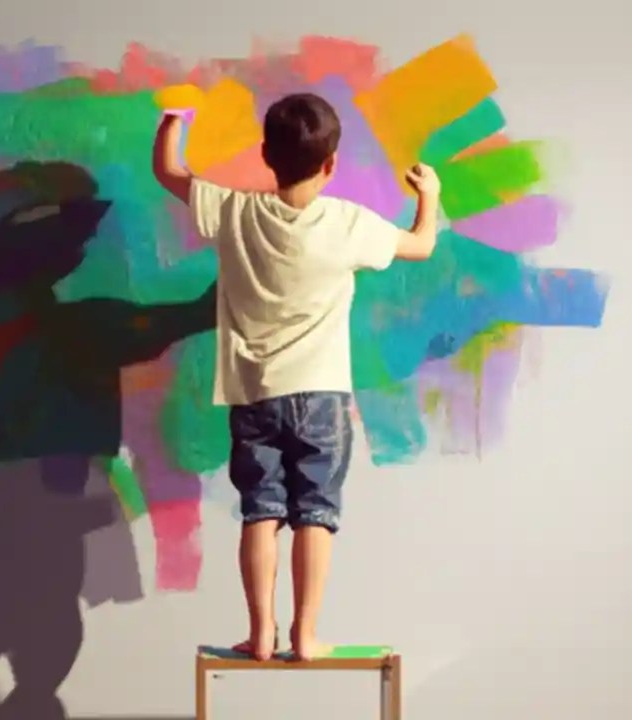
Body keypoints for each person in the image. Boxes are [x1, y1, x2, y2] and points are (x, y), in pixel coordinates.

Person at [151, 93, 441, 661]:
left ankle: (261, 633)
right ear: (331, 164)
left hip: (254, 393)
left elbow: (169, 171)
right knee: (317, 512)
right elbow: (423, 244)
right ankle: (305, 635)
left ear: (265, 154)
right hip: (323, 395)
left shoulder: (234, 211)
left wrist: (174, 117)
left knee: (261, 510)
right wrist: (427, 196)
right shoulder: (349, 224)